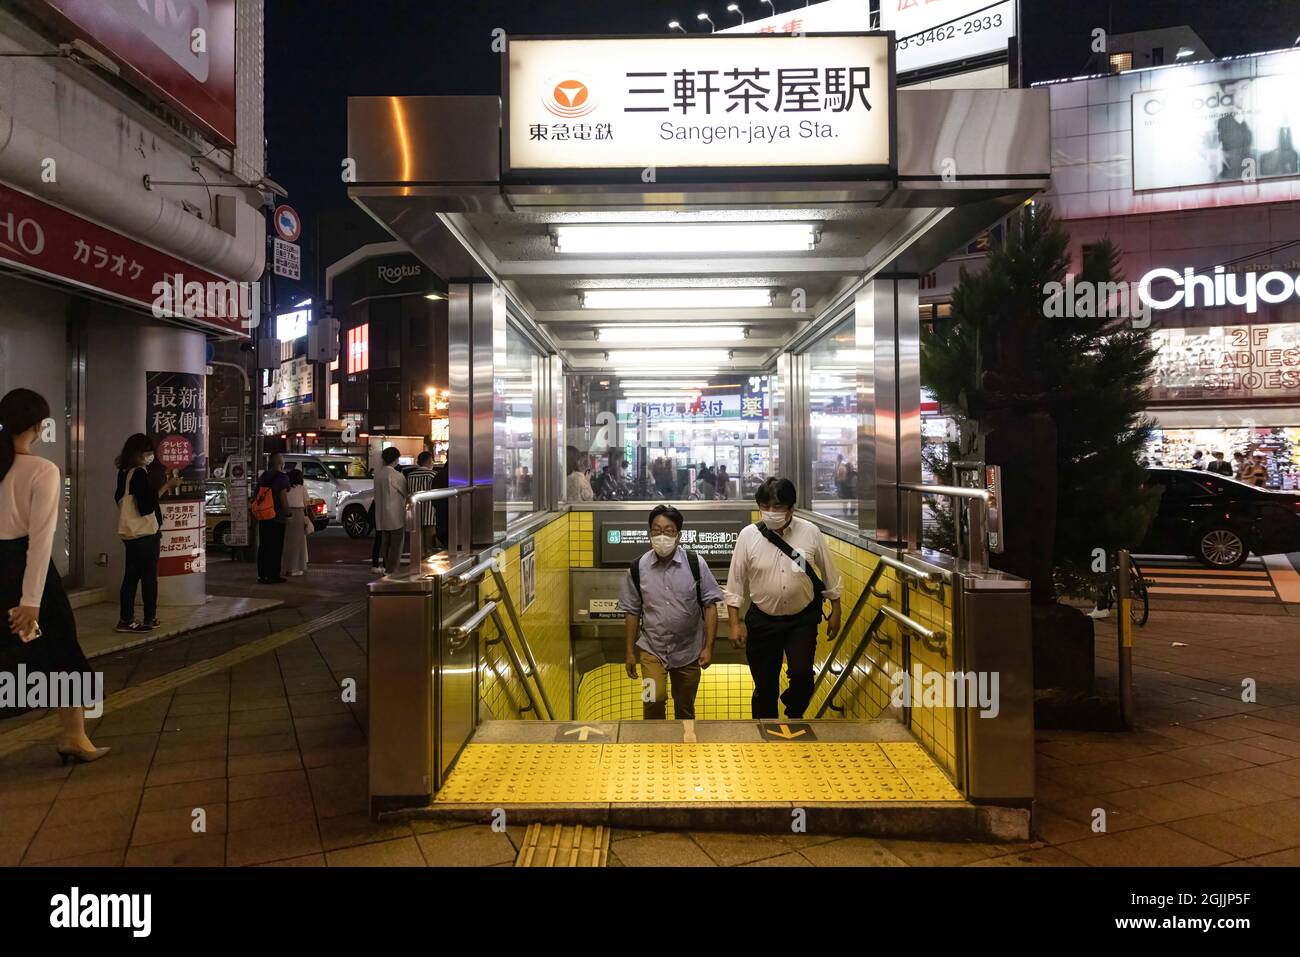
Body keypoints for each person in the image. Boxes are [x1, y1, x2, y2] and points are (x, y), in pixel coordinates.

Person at [0, 388, 108, 762]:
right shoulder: (42, 470)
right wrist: (30, 602)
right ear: (38, 426)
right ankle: (74, 737)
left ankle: (75, 737)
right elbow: (40, 541)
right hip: (26, 572)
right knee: (61, 648)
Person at [725, 477, 843, 720]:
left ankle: (793, 716)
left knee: (802, 675)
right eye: (765, 506)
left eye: (777, 507)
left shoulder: (810, 532)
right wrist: (734, 623)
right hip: (763, 620)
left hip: (802, 620)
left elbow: (828, 572)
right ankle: (765, 728)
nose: (771, 512)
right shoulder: (748, 536)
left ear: (791, 508)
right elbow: (735, 581)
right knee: (765, 684)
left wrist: (836, 609)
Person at [619, 505, 722, 720]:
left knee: (685, 707)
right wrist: (629, 652)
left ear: (679, 536)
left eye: (669, 531)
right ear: (650, 534)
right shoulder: (637, 568)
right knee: (652, 700)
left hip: (689, 652)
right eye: (656, 531)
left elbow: (710, 606)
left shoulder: (695, 564)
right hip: (651, 649)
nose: (662, 536)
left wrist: (708, 647)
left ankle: (683, 741)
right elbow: (632, 612)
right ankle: (653, 740)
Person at [114, 433, 177, 632]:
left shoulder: (124, 473)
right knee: (149, 578)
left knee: (130, 577)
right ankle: (150, 617)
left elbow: (119, 499)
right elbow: (147, 505)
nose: (150, 455)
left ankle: (126, 619)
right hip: (146, 535)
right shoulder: (140, 473)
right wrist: (167, 486)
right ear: (138, 453)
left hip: (130, 534)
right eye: (147, 452)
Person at [255, 452, 290, 584]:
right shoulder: (282, 477)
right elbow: (283, 497)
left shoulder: (263, 476)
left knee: (264, 545)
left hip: (264, 515)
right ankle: (273, 575)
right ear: (280, 463)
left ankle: (262, 574)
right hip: (277, 516)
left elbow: (256, 494)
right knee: (276, 547)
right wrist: (287, 513)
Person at [373, 446, 408, 573]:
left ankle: (387, 568)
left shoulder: (378, 475)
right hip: (395, 515)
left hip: (381, 515)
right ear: (396, 459)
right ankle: (392, 570)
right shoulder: (397, 476)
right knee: (396, 545)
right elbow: (405, 493)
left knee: (385, 543)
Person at [405, 451, 440, 558]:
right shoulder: (433, 475)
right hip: (430, 513)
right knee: (429, 546)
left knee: (417, 545)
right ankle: (427, 561)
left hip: (415, 514)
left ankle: (418, 562)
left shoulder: (410, 476)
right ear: (429, 461)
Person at [281, 469, 312, 577]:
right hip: (299, 514)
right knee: (299, 543)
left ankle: (286, 568)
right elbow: (307, 504)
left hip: (287, 513)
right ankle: (297, 567)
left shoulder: (285, 488)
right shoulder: (302, 488)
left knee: (287, 542)